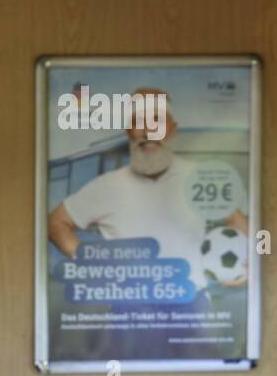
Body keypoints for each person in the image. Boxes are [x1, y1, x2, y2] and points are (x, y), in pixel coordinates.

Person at [47, 87, 248, 290]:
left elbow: (243, 224)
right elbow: (56, 223)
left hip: (190, 305)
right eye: (139, 121)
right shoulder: (106, 186)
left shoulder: (200, 177)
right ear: (129, 131)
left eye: (157, 120)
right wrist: (93, 266)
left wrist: (253, 263)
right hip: (127, 308)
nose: (148, 130)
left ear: (173, 129)